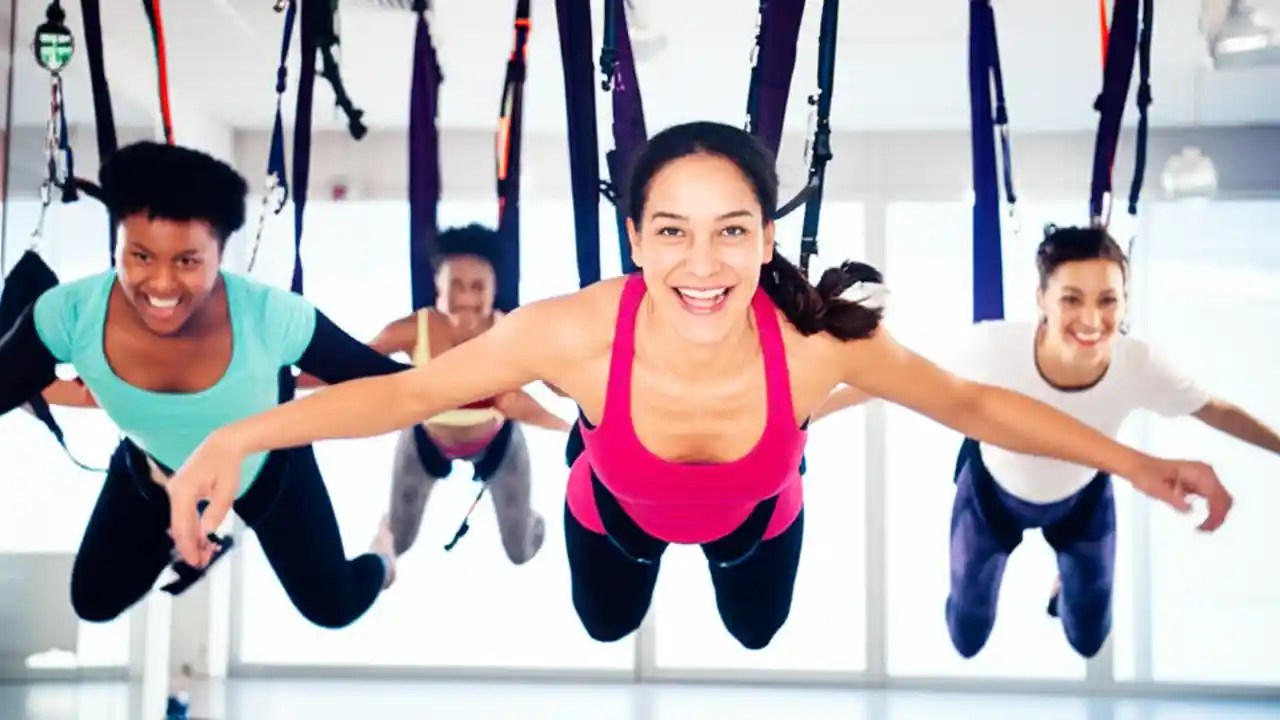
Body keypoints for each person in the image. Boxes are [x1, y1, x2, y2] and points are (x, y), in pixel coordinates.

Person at [165, 122, 1231, 650]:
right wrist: (238, 437)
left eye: (731, 231)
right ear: (634, 239)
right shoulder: (577, 331)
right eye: (669, 232)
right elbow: (405, 395)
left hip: (756, 527)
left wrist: (1138, 461)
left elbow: (977, 406)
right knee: (603, 627)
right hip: (611, 521)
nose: (702, 263)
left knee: (754, 633)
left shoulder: (815, 344)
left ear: (765, 237)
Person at [0, 141, 413, 628]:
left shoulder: (271, 315)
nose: (160, 284)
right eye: (140, 255)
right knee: (93, 601)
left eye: (187, 261)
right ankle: (184, 534)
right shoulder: (71, 314)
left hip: (266, 470)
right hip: (155, 472)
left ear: (220, 254)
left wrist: (488, 386)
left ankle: (383, 560)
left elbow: (390, 385)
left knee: (333, 606)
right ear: (116, 243)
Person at [813, 224, 1270, 658]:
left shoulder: (1140, 363)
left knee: (1089, 636)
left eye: (1108, 300)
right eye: (1072, 298)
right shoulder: (990, 347)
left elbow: (1215, 408)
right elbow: (892, 377)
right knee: (967, 634)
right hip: (991, 496)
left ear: (1125, 304)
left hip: (1081, 499)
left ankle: (1062, 584)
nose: (1092, 318)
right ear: (1042, 299)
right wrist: (808, 413)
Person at [300, 224, 568, 575]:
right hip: (425, 441)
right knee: (400, 542)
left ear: (494, 289)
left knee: (520, 550)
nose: (468, 297)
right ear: (438, 287)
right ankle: (384, 542)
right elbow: (349, 364)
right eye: (456, 285)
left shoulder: (511, 332)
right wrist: (288, 381)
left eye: (478, 287)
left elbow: (561, 378)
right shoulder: (413, 329)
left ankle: (531, 518)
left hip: (498, 442)